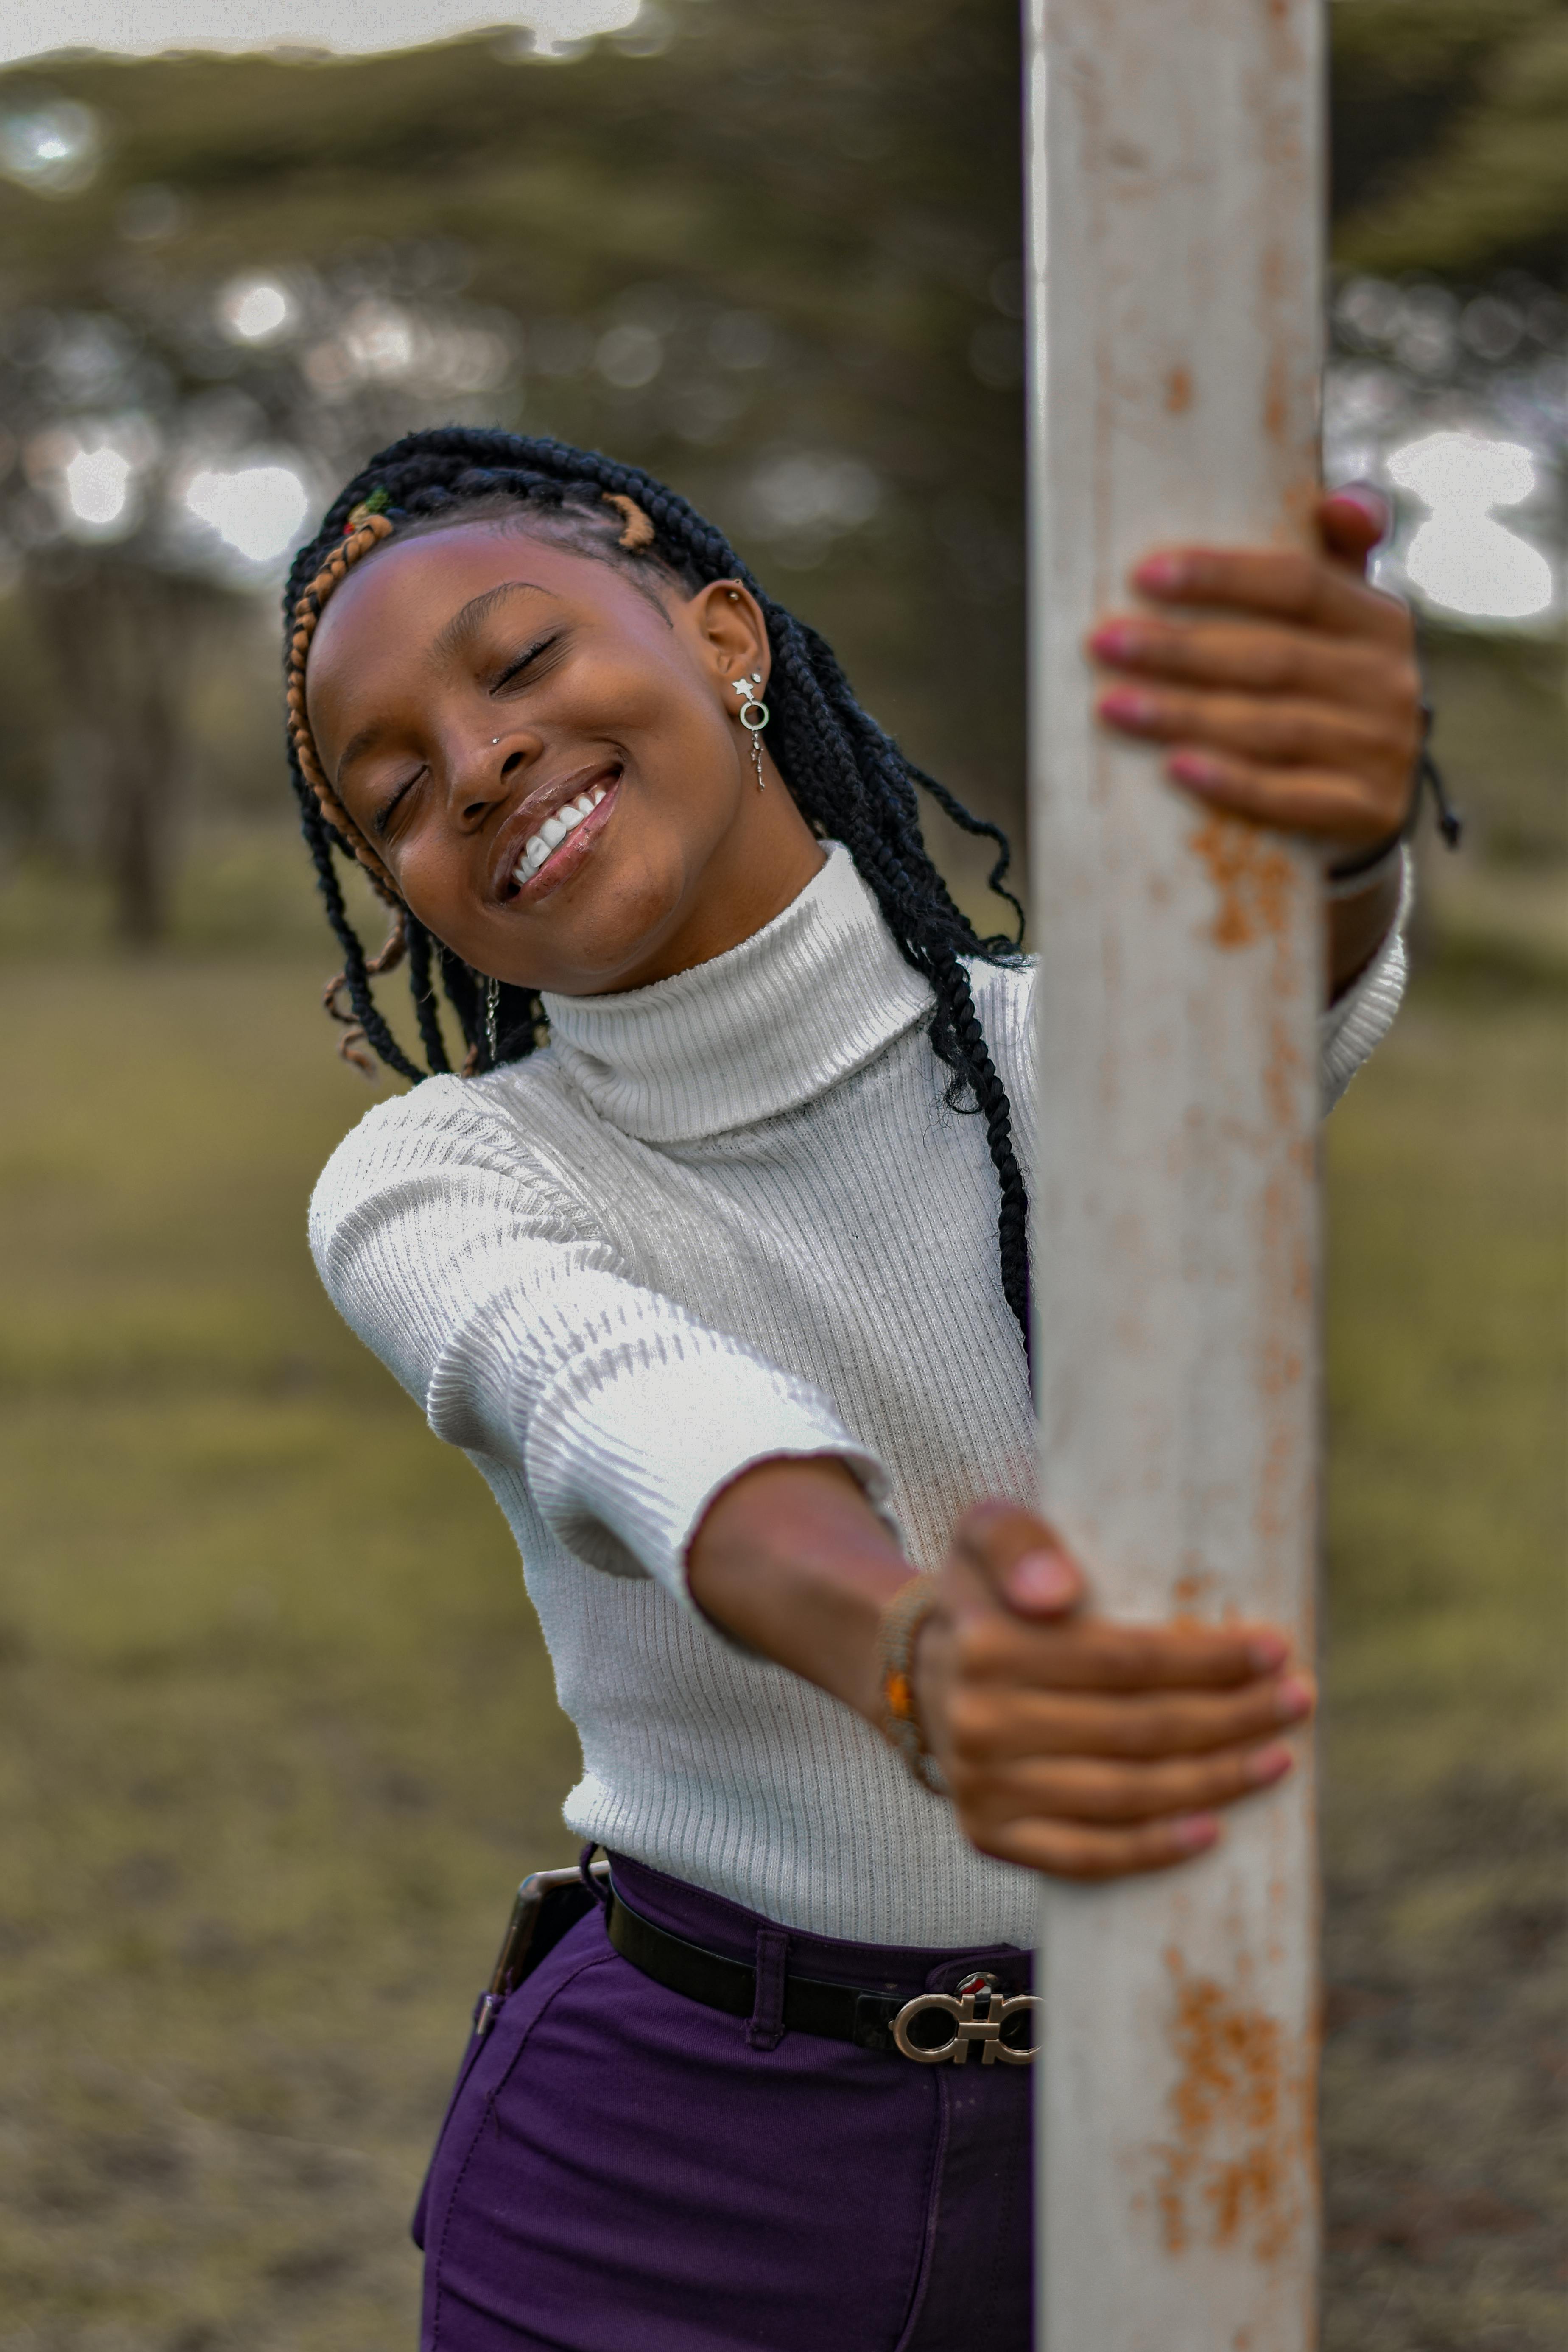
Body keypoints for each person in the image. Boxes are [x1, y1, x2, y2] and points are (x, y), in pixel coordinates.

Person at [286, 427, 1420, 2351]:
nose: (473, 764)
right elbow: (627, 1404)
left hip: (1144, 2132)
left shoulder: (1086, 1047)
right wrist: (905, 1644)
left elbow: (1276, 972)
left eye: (522, 663)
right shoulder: (444, 1176)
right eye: (392, 790)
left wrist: (1341, 816)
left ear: (723, 632)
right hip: (660, 2177)